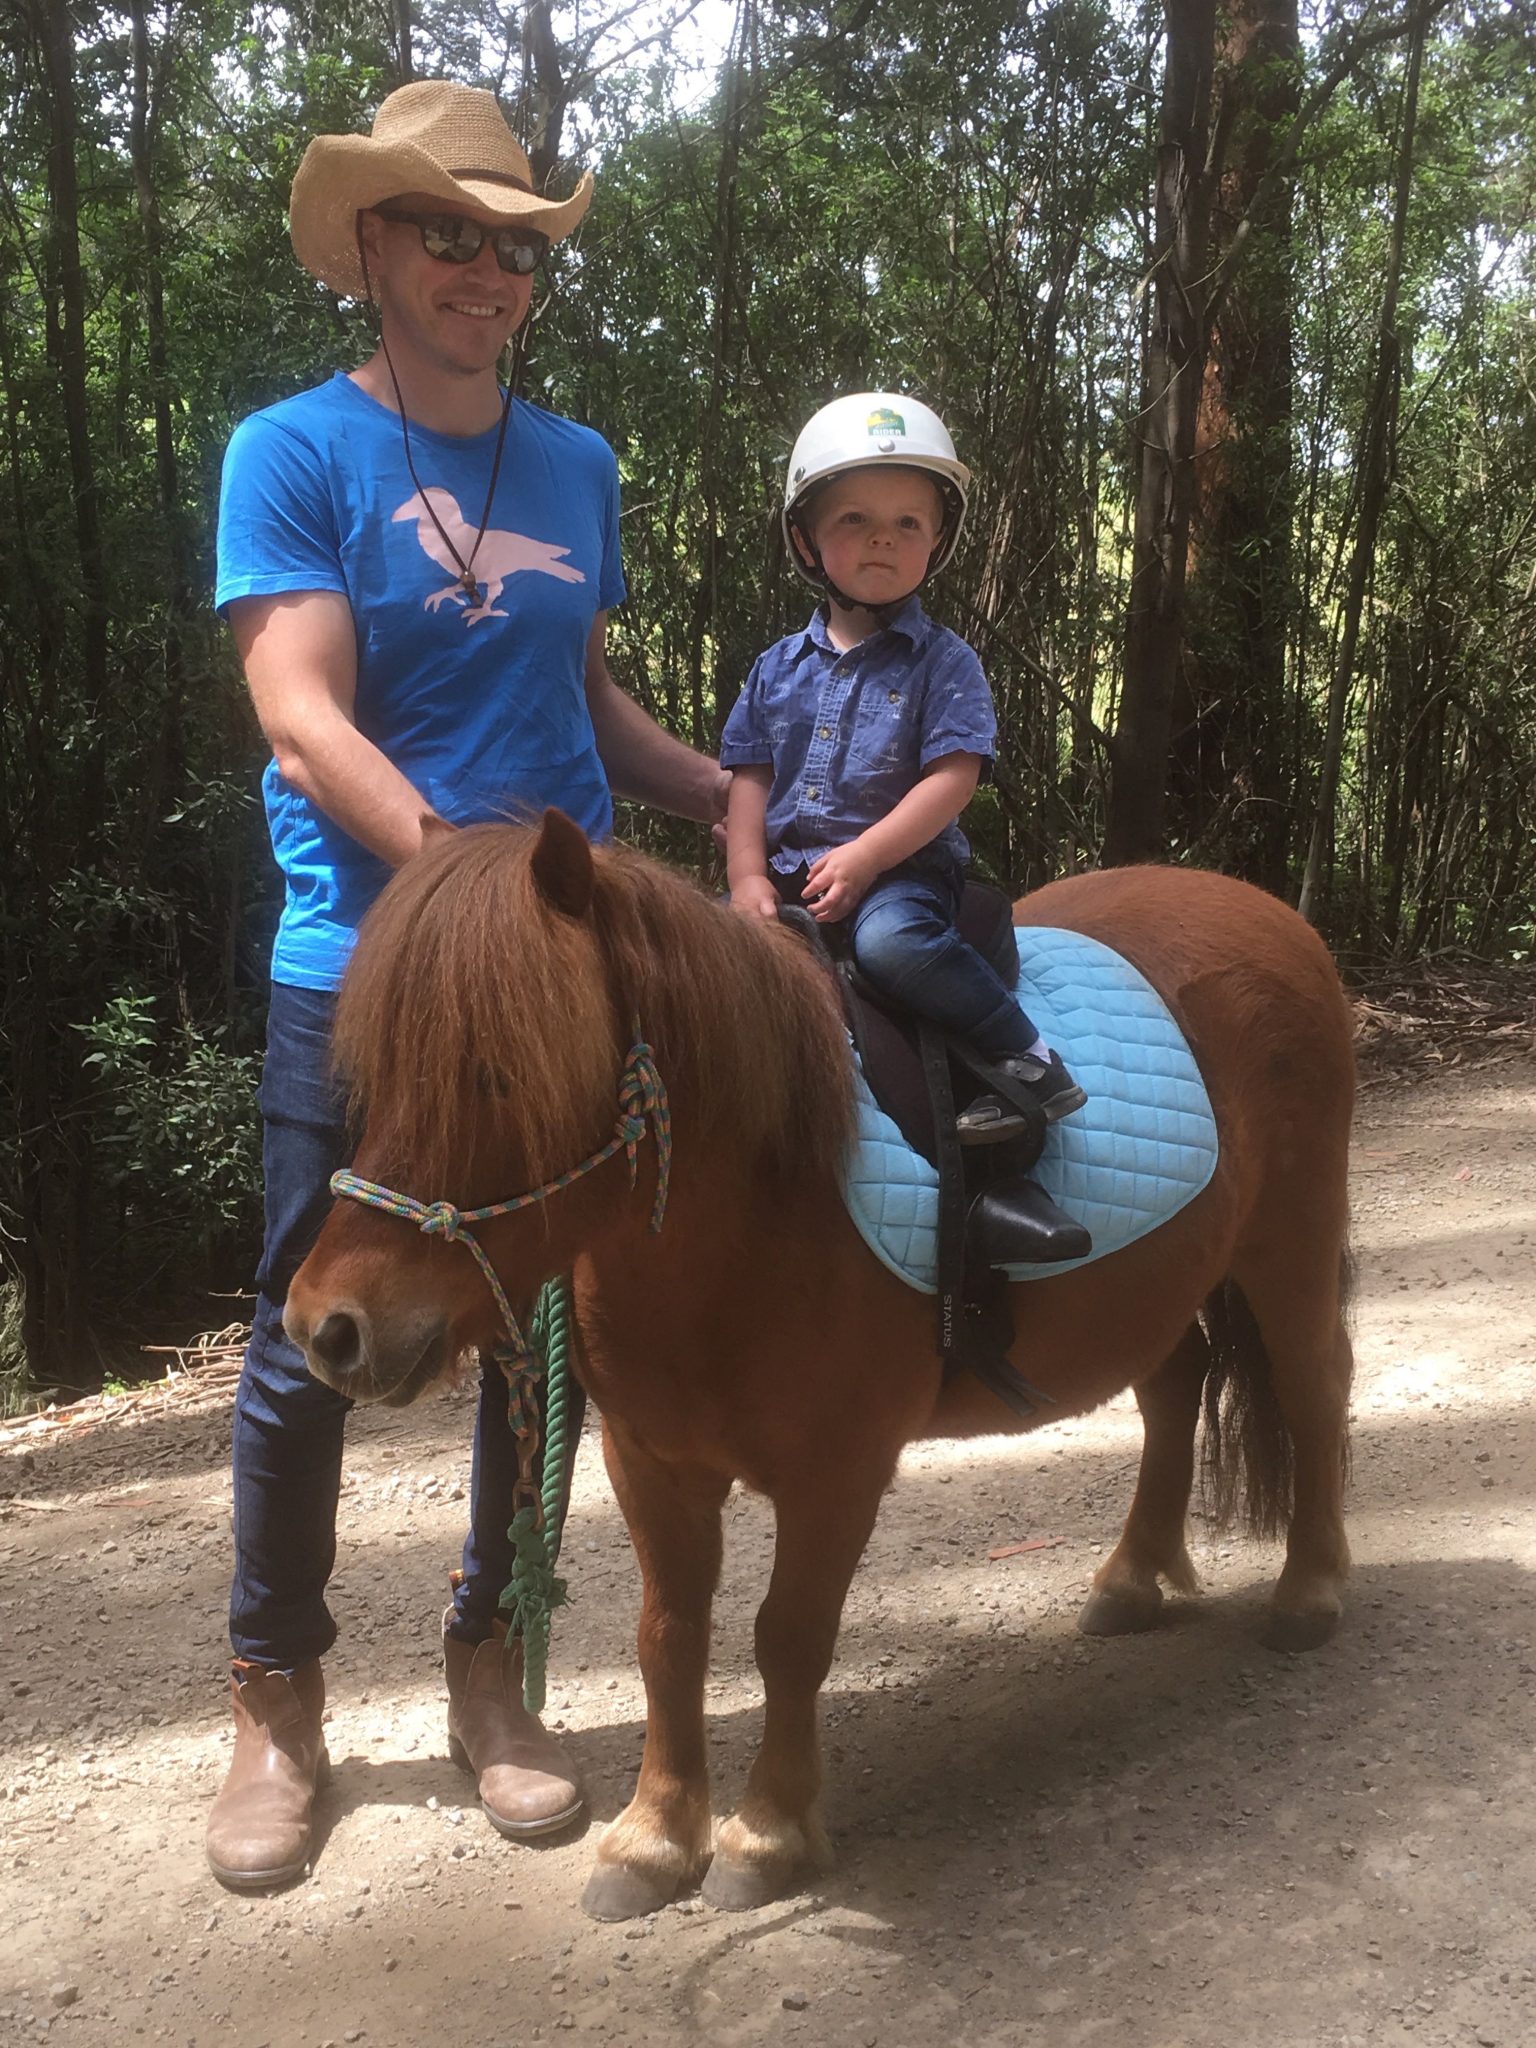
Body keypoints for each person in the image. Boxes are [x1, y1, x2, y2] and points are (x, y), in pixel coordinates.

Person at [208, 79, 728, 1892]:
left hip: (567, 979)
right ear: (372, 247)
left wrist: (712, 786)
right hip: (365, 967)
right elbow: (298, 708)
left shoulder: (575, 462)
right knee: (309, 1334)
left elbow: (579, 699)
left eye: (513, 246)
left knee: (545, 1334)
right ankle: (275, 1701)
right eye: (448, 234)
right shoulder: (293, 452)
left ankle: (492, 1674)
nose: (485, 271)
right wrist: (450, 878)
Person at [721, 392, 1084, 1140]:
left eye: (906, 523)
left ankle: (1027, 1056)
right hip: (791, 870)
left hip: (902, 875)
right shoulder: (774, 668)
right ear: (806, 537)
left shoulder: (945, 664)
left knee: (890, 945)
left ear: (936, 541)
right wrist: (747, 878)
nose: (882, 540)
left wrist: (866, 855)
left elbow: (954, 779)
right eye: (854, 519)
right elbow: (750, 778)